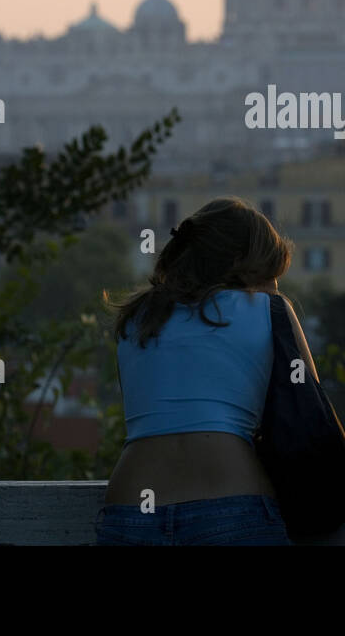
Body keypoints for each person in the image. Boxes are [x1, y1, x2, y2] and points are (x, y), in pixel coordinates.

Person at [95, 197, 316, 545]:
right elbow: (309, 415)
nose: (274, 288)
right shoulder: (269, 308)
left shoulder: (136, 318)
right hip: (232, 506)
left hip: (130, 513)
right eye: (269, 277)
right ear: (242, 267)